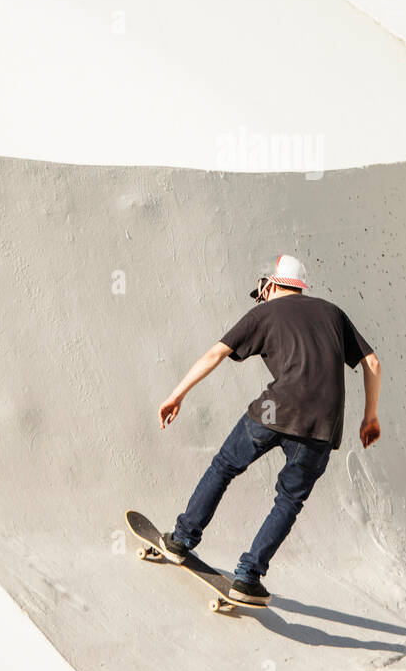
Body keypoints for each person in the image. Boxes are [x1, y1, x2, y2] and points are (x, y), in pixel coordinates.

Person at [157, 254, 381, 605]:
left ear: (271, 283)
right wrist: (370, 417)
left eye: (261, 290)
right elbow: (373, 362)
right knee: (289, 501)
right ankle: (248, 578)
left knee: (225, 466)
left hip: (276, 408)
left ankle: (182, 540)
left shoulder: (262, 313)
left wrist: (177, 394)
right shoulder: (334, 313)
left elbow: (216, 353)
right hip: (323, 424)